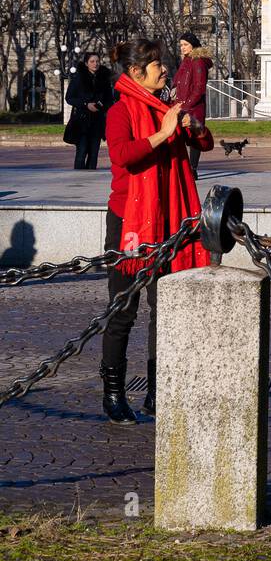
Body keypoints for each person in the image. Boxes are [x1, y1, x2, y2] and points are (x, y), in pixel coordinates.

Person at [100, 38, 213, 424]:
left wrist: (191, 125)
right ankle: (113, 394)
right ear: (136, 73)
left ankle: (157, 392)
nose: (165, 70)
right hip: (130, 223)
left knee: (162, 310)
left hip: (168, 221)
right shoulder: (120, 111)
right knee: (123, 310)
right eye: (157, 65)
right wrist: (164, 133)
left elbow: (206, 142)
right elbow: (123, 155)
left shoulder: (165, 106)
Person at [171, 33, 213, 179]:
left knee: (195, 138)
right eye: (181, 45)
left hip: (193, 106)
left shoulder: (198, 61)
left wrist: (186, 105)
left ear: (193, 45)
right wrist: (173, 89)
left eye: (185, 44)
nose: (182, 48)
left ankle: (192, 168)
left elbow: (199, 87)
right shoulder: (186, 61)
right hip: (181, 104)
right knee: (178, 136)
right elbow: (178, 80)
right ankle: (182, 167)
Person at [64, 51, 113, 170]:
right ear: (86, 63)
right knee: (82, 151)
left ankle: (90, 179)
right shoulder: (78, 78)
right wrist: (86, 104)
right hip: (82, 121)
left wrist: (100, 106)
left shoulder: (104, 79)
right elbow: (69, 98)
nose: (95, 64)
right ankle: (78, 179)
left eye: (97, 61)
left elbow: (109, 99)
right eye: (92, 61)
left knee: (94, 154)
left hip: (97, 121)